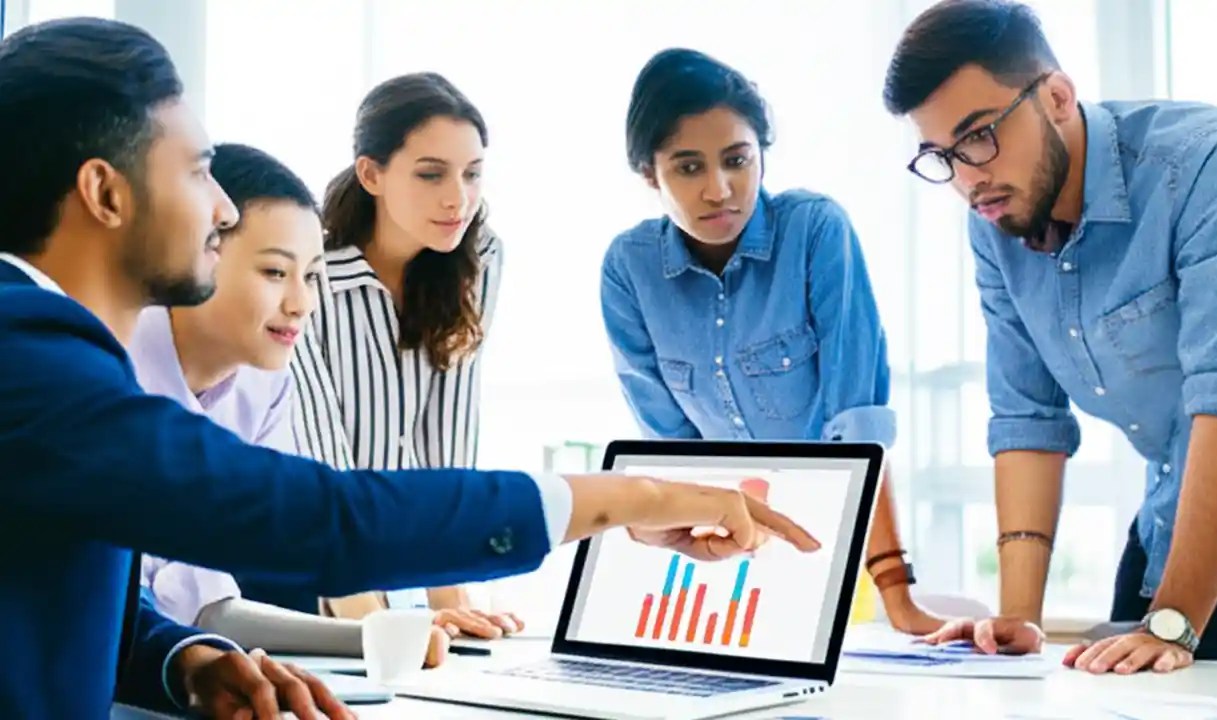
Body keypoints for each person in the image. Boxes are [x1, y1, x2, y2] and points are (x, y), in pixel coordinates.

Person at [0, 18, 820, 718]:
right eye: (196, 170)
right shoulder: (26, 353)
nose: (221, 207)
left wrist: (185, 664)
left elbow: (79, 591)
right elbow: (319, 516)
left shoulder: (48, 354)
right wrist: (626, 499)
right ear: (105, 194)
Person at [883, 0, 1217, 673]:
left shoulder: (1208, 163)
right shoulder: (994, 222)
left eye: (978, 136)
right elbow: (1027, 420)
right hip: (1173, 532)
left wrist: (1174, 624)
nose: (968, 177)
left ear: (1058, 96)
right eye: (941, 156)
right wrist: (1020, 619)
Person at [601, 47, 944, 635]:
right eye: (688, 167)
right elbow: (671, 449)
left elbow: (858, 426)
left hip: (840, 539)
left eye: (738, 159)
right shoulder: (628, 270)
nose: (720, 189)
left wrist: (897, 595)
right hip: (717, 550)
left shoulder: (814, 231)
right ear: (647, 174)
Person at [128, 141, 451, 668]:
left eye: (313, 276)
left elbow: (205, 599)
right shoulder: (109, 368)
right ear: (197, 252)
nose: (300, 303)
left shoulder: (264, 384)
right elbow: (141, 610)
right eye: (276, 273)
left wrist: (383, 634)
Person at [246, 72, 518, 637]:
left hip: (390, 566)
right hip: (293, 564)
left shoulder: (480, 257)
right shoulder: (308, 271)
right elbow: (322, 468)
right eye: (431, 174)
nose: (458, 198)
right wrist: (376, 627)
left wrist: (453, 597)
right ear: (372, 173)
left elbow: (449, 440)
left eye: (472, 174)